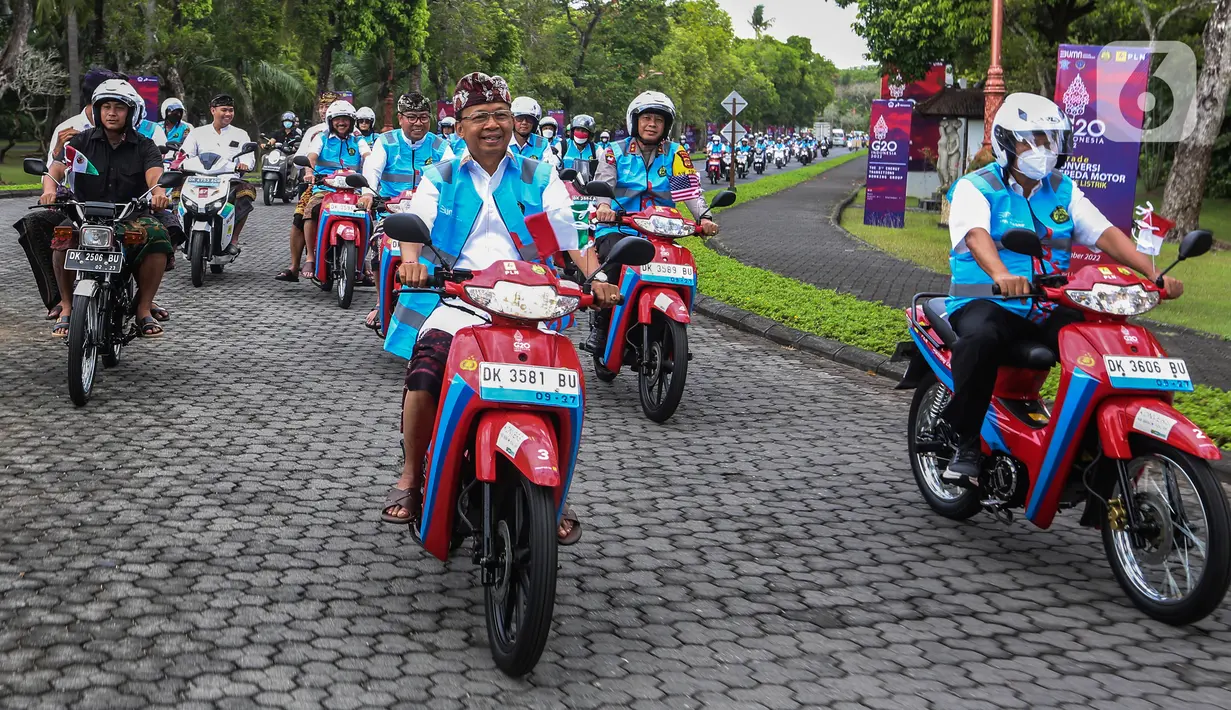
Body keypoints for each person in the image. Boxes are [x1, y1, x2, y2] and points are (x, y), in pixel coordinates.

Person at [380, 72, 620, 545]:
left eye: (500, 115)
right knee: (425, 376)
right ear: (459, 125)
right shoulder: (441, 175)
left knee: (563, 384)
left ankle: (557, 485)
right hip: (458, 299)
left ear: (513, 122)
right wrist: (411, 264)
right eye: (479, 117)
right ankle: (411, 474)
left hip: (532, 302)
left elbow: (569, 235)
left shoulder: (539, 174)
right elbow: (414, 224)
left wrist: (598, 277)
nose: (492, 124)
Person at [939, 93, 1185, 484]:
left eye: (1051, 140)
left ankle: (1088, 446)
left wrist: (1153, 275)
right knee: (981, 340)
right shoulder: (976, 187)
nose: (1045, 149)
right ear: (1007, 142)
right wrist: (1002, 274)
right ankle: (964, 441)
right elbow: (976, 237)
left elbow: (1107, 235)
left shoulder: (1063, 190)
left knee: (1102, 344)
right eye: (1033, 139)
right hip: (986, 301)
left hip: (1046, 305)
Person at [36, 79, 174, 337]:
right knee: (62, 238)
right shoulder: (81, 140)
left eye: (119, 107)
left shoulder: (145, 145)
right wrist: (49, 190)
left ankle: (143, 307)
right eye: (106, 106)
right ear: (98, 110)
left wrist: (158, 194)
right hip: (84, 214)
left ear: (131, 113)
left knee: (157, 238)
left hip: (130, 216)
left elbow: (155, 175)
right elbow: (56, 167)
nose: (112, 113)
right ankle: (66, 304)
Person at [585, 91, 718, 352]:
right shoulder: (615, 151)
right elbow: (605, 184)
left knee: (681, 264)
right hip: (619, 226)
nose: (652, 124)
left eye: (659, 119)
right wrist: (603, 207)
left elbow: (689, 191)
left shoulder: (675, 153)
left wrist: (704, 217)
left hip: (661, 230)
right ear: (634, 121)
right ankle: (601, 327)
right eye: (646, 118)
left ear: (666, 125)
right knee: (614, 263)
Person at [358, 92, 454, 319]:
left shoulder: (441, 145)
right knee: (378, 246)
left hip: (427, 216)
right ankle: (381, 302)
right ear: (400, 118)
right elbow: (372, 168)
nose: (418, 123)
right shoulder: (386, 142)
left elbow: (451, 174)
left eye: (423, 117)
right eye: (411, 117)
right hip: (391, 212)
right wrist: (367, 193)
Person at [177, 94, 256, 256]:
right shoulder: (197, 133)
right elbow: (184, 154)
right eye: (224, 110)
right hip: (197, 179)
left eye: (231, 110)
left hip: (228, 180)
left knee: (247, 192)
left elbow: (248, 157)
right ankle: (177, 236)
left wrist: (245, 164)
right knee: (174, 191)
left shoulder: (240, 134)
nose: (228, 114)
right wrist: (178, 164)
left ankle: (233, 239)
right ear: (213, 110)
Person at [301, 99, 370, 279]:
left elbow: (368, 156)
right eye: (337, 119)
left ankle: (364, 260)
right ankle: (310, 256)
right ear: (330, 121)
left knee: (369, 216)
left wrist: (372, 173)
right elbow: (312, 156)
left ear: (352, 121)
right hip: (325, 188)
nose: (342, 122)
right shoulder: (321, 137)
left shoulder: (358, 139)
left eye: (346, 119)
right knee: (310, 210)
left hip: (353, 190)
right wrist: (309, 171)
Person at [276, 92, 337, 281]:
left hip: (350, 188)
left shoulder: (355, 133)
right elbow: (299, 159)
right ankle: (295, 266)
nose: (325, 110)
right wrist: (309, 172)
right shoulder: (315, 132)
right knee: (299, 219)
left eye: (330, 106)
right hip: (316, 185)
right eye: (322, 106)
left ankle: (364, 266)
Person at [508, 96, 557, 166]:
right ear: (512, 120)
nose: (524, 122)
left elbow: (549, 171)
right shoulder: (503, 141)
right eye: (520, 118)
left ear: (534, 123)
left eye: (529, 119)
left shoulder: (542, 143)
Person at [559, 113, 599, 178]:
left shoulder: (596, 149)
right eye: (577, 130)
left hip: (589, 185)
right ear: (572, 132)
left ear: (590, 134)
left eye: (584, 131)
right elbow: (553, 166)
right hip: (565, 186)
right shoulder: (562, 146)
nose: (580, 133)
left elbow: (603, 170)